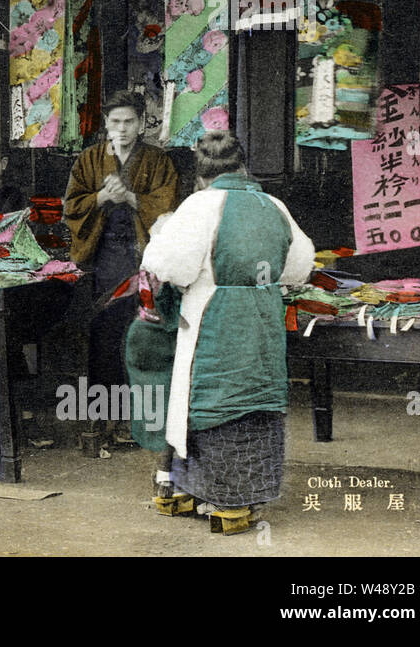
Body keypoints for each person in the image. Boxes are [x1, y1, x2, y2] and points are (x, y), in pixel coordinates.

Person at [138, 131, 314, 533]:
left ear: (200, 176)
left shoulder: (198, 206)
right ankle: (242, 498)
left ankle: (201, 492)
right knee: (252, 402)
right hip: (260, 320)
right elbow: (300, 266)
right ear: (243, 167)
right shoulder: (273, 205)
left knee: (207, 402)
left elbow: (169, 267)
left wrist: (160, 232)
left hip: (211, 316)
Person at [64, 90, 178, 447]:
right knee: (104, 337)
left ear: (142, 124)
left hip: (146, 257)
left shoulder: (158, 161)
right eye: (115, 122)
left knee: (144, 339)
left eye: (129, 121)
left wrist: (130, 198)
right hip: (106, 259)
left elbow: (169, 205)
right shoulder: (90, 159)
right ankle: (103, 419)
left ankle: (140, 423)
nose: (123, 129)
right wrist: (100, 197)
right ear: (106, 125)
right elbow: (72, 205)